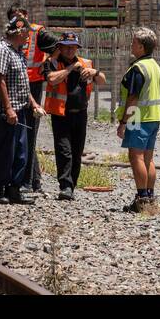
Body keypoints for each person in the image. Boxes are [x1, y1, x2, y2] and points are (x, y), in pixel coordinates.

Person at [0, 16, 44, 205]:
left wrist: (33, 103)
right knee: (6, 152)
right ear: (19, 32)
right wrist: (8, 108)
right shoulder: (2, 50)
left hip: (20, 110)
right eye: (26, 32)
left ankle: (14, 189)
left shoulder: (18, 52)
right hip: (7, 112)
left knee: (21, 152)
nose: (28, 36)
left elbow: (22, 84)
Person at [43, 31, 105, 200]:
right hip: (61, 114)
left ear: (77, 48)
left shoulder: (86, 63)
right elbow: (51, 79)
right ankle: (65, 186)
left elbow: (102, 81)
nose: (70, 51)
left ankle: (72, 185)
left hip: (80, 114)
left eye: (73, 48)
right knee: (64, 152)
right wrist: (70, 69)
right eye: (67, 47)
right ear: (60, 48)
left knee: (77, 153)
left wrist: (95, 73)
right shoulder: (53, 63)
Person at [115, 26, 160, 212]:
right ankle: (149, 196)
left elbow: (132, 97)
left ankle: (141, 198)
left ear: (142, 47)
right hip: (154, 117)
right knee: (148, 158)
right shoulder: (154, 66)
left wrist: (123, 122)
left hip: (138, 116)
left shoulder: (138, 68)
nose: (131, 45)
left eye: (134, 42)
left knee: (136, 157)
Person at [9, 3, 49, 192]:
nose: (20, 21)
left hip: (33, 84)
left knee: (29, 132)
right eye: (16, 17)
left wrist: (46, 63)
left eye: (22, 16)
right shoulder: (10, 36)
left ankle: (29, 181)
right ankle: (32, 180)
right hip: (19, 84)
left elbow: (57, 45)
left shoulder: (37, 32)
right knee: (22, 133)